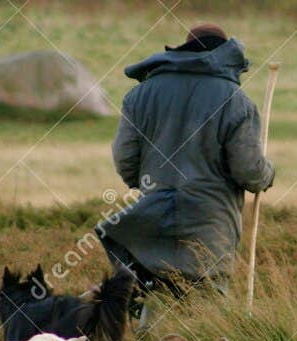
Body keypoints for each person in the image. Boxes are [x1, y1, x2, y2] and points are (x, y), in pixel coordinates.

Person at [95, 23, 275, 298]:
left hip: (152, 216)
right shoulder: (236, 101)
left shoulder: (140, 95)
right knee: (208, 309)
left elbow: (125, 158)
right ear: (226, 53)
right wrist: (267, 176)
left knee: (154, 300)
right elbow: (248, 170)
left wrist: (149, 185)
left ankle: (151, 340)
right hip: (210, 225)